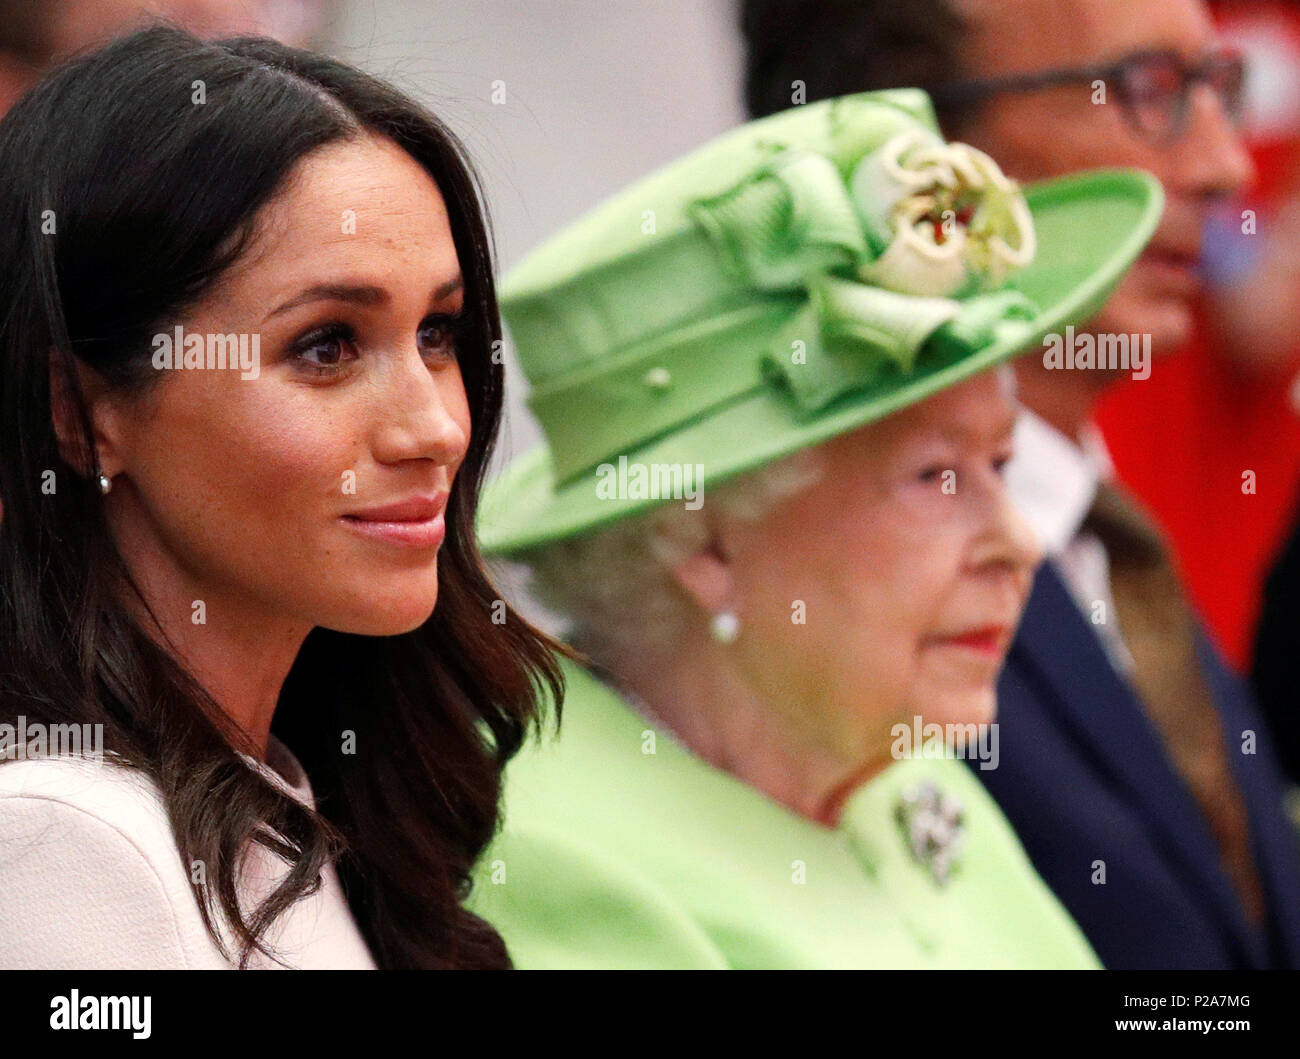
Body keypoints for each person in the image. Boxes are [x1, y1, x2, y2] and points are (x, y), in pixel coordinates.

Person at [467, 89, 1162, 967]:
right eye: (936, 476)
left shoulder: (888, 767)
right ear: (705, 540)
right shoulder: (551, 858)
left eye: (1000, 464)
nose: (1018, 543)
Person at [742, 0, 1300, 968]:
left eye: (1216, 90)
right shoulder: (825, 608)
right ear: (905, 150)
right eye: (1146, 93)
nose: (1225, 167)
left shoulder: (1109, 535)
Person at [0, 27, 560, 969]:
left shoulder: (291, 796)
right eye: (327, 345)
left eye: (437, 333)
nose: (433, 429)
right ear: (84, 413)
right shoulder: (70, 841)